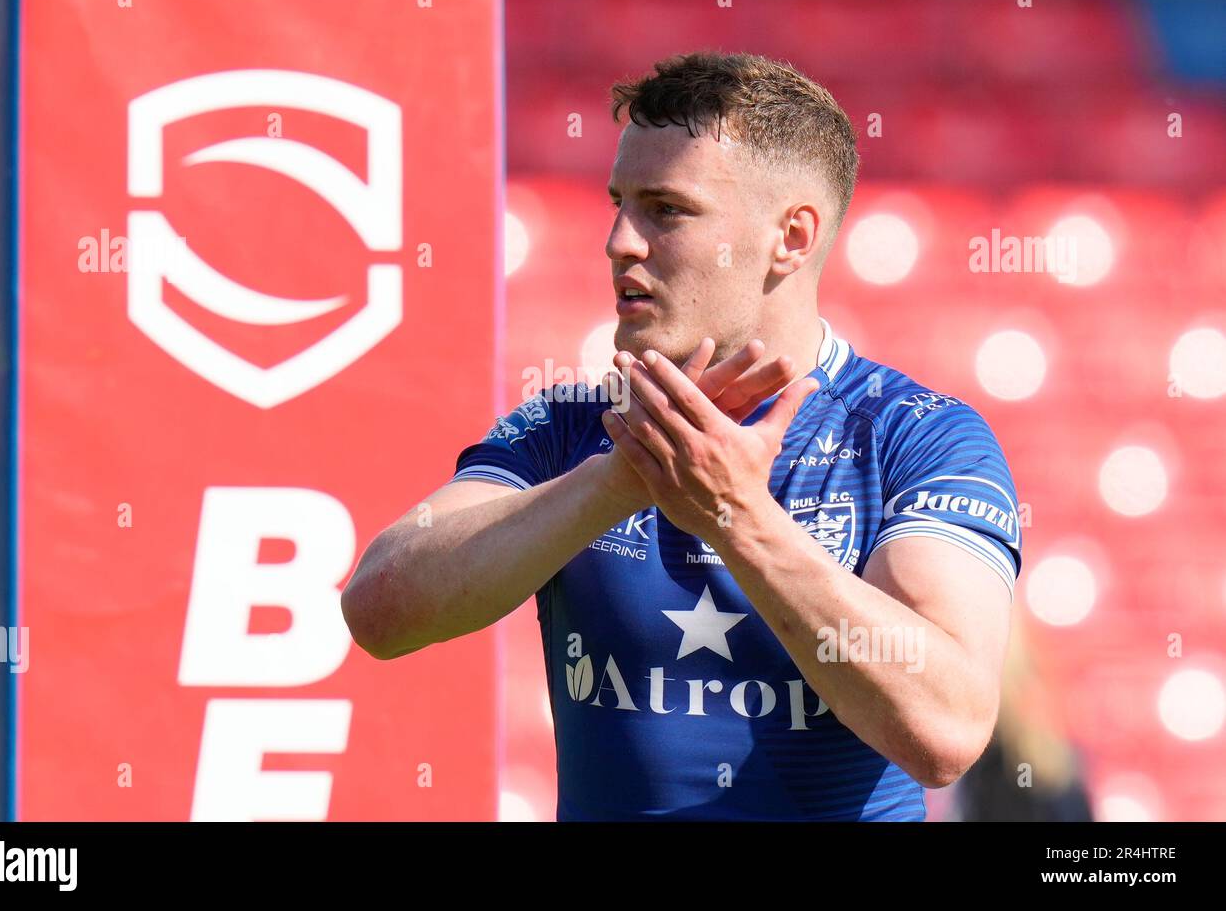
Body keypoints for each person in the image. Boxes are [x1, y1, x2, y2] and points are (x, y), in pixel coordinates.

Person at [343, 52, 1023, 821]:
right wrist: (623, 474)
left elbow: (945, 731)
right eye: (618, 203)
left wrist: (738, 513)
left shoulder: (916, 437)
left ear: (791, 239)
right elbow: (379, 609)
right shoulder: (572, 428)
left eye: (665, 209)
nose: (619, 243)